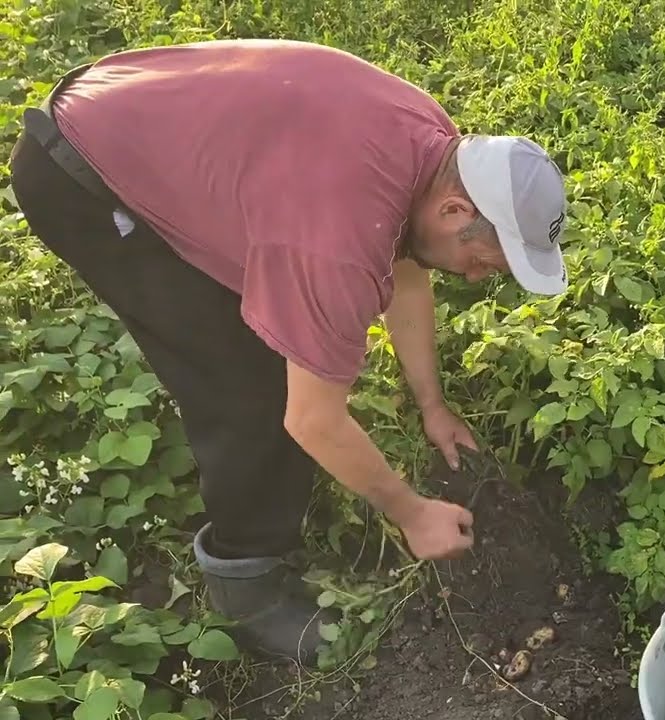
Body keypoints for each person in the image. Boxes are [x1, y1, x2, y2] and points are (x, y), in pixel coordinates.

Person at [7, 38, 570, 666]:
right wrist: (408, 510)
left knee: (279, 339)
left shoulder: (433, 147)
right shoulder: (337, 243)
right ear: (455, 208)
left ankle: (276, 500)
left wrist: (432, 404)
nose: (473, 276)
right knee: (249, 391)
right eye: (481, 260)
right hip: (81, 174)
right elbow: (312, 419)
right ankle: (244, 587)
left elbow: (407, 271)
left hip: (140, 109)